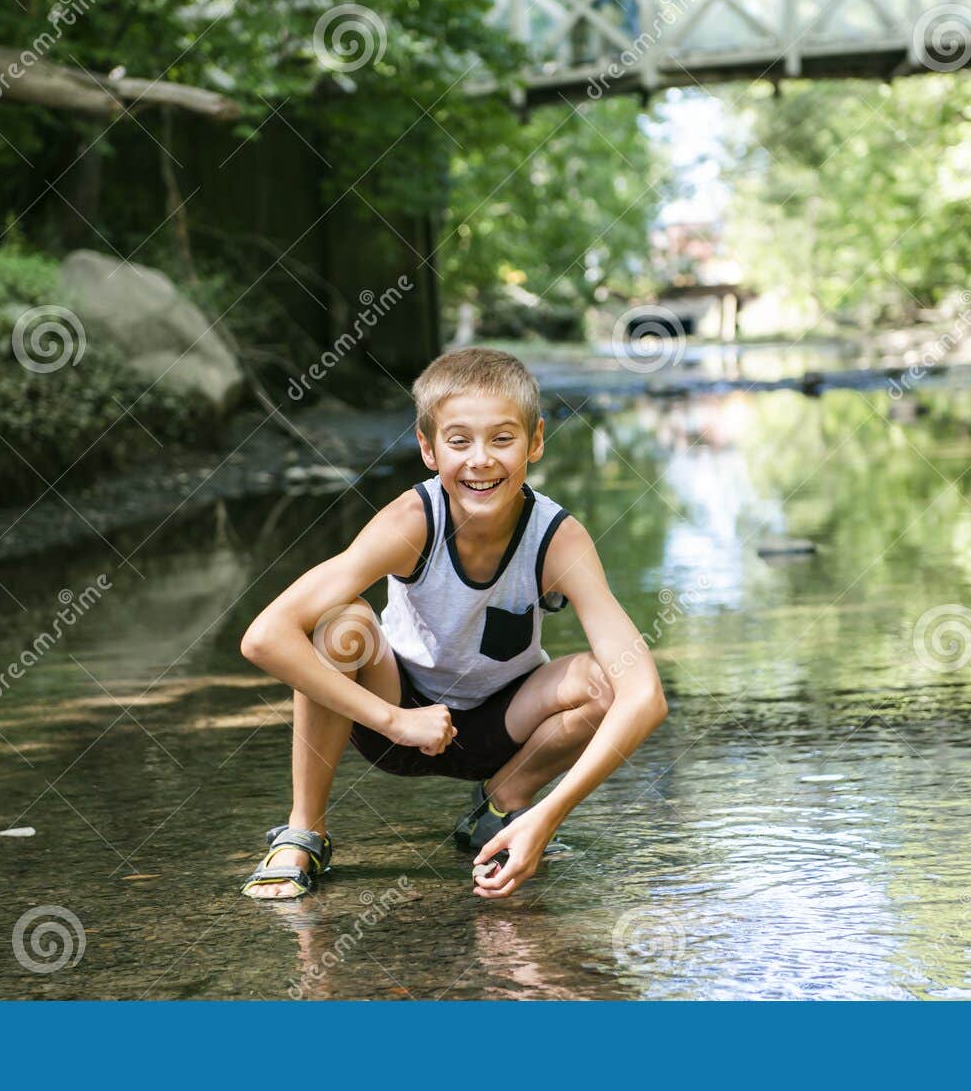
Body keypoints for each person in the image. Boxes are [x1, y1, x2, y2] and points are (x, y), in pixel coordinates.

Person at [238, 347, 668, 900]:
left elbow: (645, 695)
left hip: (501, 732)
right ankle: (305, 830)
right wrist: (393, 720)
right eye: (459, 441)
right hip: (398, 717)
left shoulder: (558, 538)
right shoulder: (411, 522)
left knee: (608, 679)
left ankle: (503, 804)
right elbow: (265, 636)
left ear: (536, 441)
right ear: (428, 448)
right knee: (340, 623)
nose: (481, 460)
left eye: (503, 439)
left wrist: (548, 817)